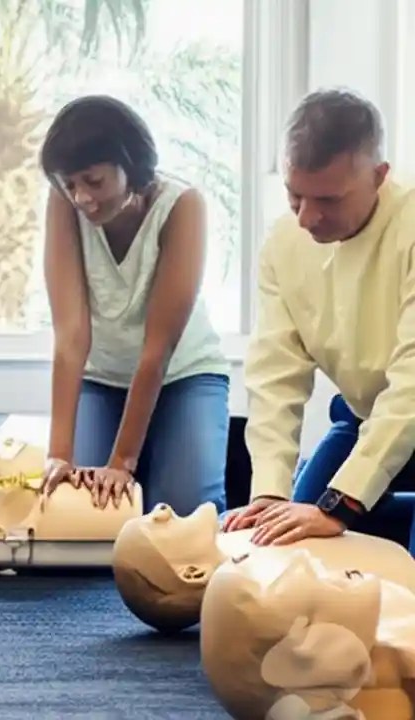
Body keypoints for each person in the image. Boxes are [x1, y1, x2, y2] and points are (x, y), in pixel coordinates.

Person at [224, 88, 415, 549]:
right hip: (361, 419)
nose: (308, 218)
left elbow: (412, 384)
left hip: (407, 407)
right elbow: (274, 378)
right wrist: (268, 492)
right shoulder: (283, 243)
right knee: (285, 539)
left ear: (379, 176)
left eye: (328, 199)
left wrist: (342, 505)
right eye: (295, 195)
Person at [36, 95, 231, 515]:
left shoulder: (182, 205)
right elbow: (70, 336)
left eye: (94, 181)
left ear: (130, 165)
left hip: (185, 374)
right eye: (70, 185)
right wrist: (59, 455)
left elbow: (157, 349)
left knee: (180, 513)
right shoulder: (64, 204)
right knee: (83, 508)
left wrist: (123, 462)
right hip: (102, 378)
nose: (82, 197)